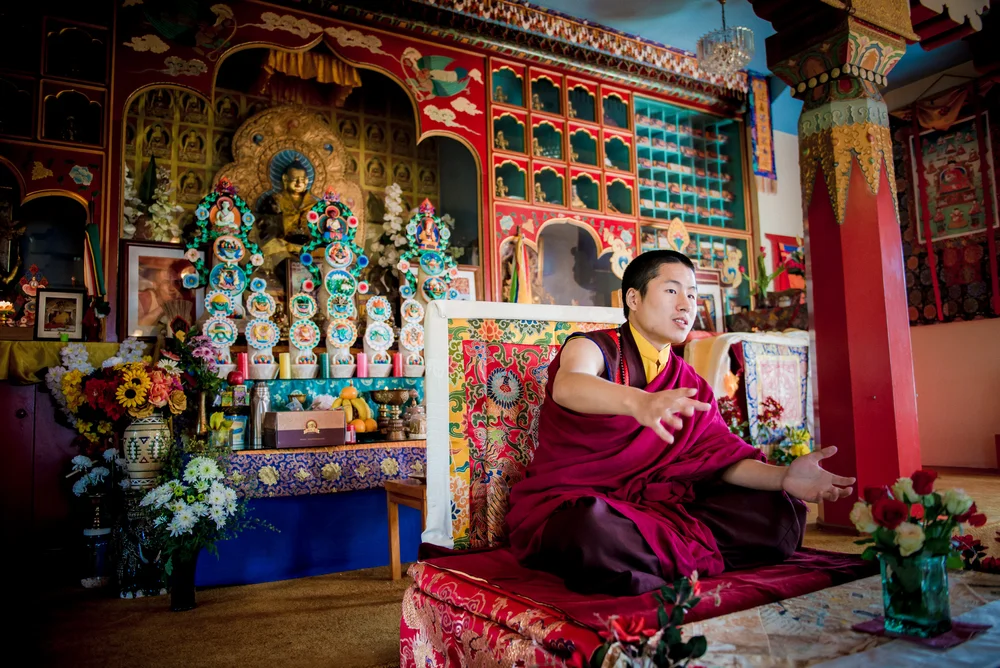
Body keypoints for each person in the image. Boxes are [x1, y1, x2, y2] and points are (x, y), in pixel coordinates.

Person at [506, 250, 854, 596]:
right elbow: (568, 385)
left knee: (777, 510)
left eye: (692, 294)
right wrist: (640, 402)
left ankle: (652, 562)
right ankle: (667, 558)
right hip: (583, 501)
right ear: (634, 298)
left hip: (656, 508)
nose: (687, 306)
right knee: (588, 528)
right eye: (672, 291)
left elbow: (718, 459)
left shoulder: (687, 380)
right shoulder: (596, 347)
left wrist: (784, 477)